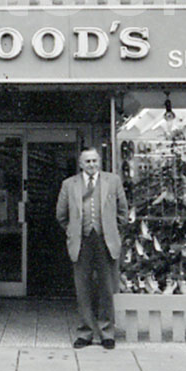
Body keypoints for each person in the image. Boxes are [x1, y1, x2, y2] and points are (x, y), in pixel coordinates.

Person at [56, 147, 128, 349]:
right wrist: (74, 231)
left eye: (94, 160)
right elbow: (61, 215)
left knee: (106, 287)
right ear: (80, 164)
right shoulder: (69, 184)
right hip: (82, 241)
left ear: (99, 162)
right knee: (83, 288)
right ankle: (86, 332)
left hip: (105, 241)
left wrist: (113, 231)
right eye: (87, 161)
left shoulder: (112, 181)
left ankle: (107, 333)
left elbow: (123, 211)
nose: (92, 165)